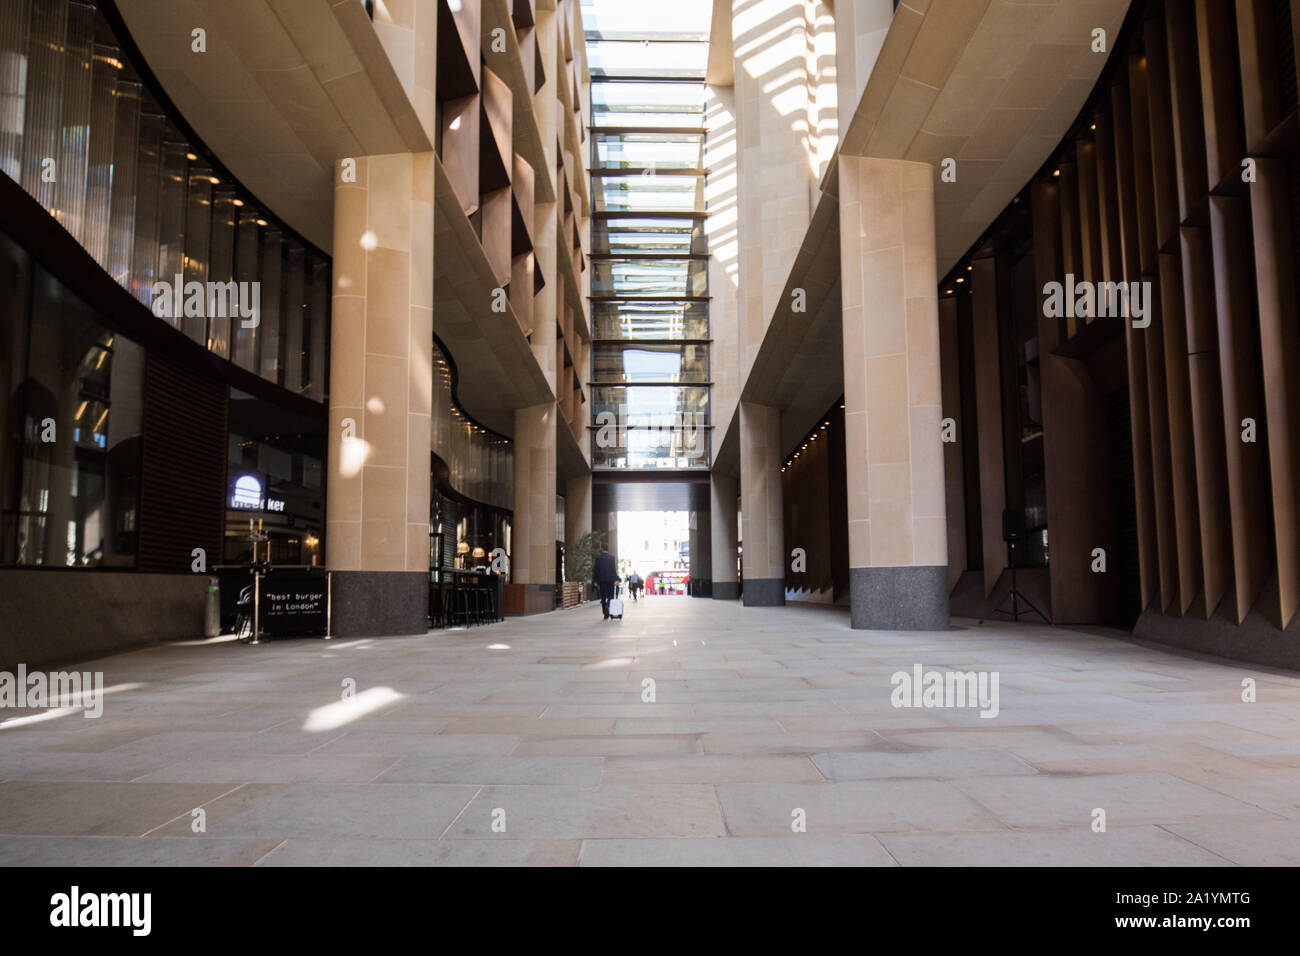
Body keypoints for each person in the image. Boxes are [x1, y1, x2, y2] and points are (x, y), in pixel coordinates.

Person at [593, 541, 617, 620]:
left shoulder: (598, 558)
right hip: (610, 580)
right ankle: (608, 604)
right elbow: (613, 570)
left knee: (603, 596)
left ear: (602, 548)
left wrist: (595, 581)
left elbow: (596, 570)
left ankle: (605, 613)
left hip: (602, 580)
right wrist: (616, 579)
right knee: (611, 596)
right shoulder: (612, 558)